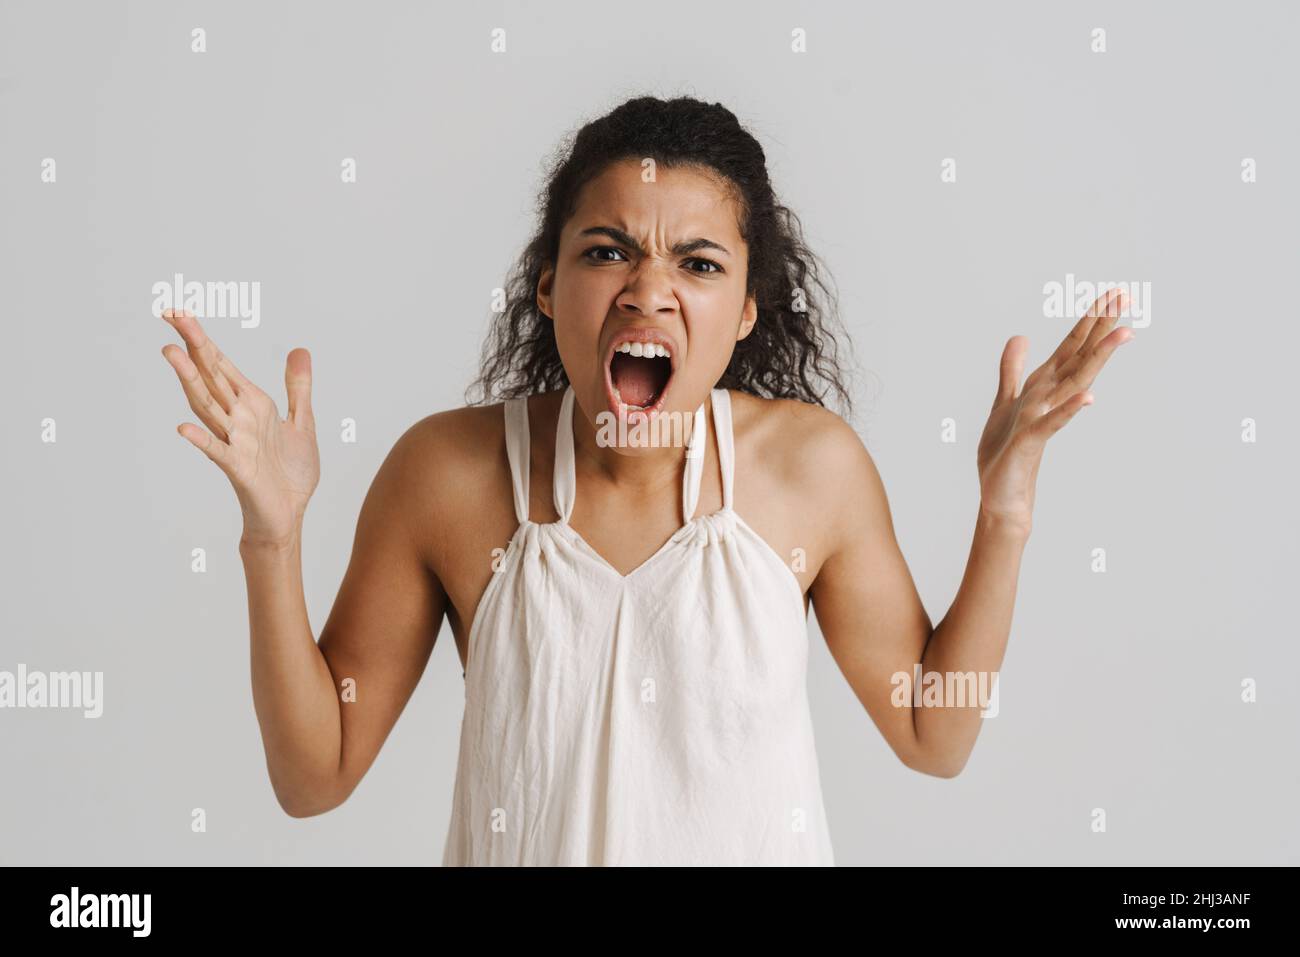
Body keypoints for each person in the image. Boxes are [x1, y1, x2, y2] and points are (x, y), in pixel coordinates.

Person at [160, 95, 1133, 865]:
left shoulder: (810, 470)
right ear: (547, 286)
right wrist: (271, 539)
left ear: (748, 309)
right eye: (605, 251)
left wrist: (1003, 515)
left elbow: (935, 735)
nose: (647, 288)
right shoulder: (446, 475)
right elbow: (311, 775)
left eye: (697, 262)